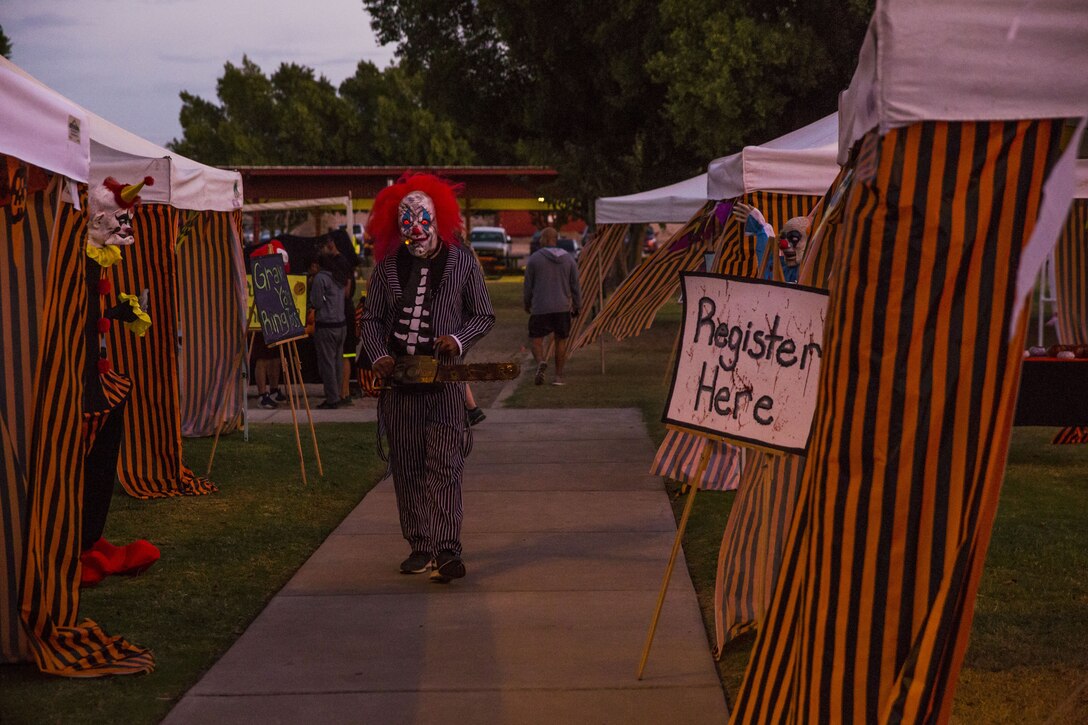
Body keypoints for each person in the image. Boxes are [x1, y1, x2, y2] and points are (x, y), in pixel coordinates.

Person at [358, 172, 495, 583]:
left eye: (422, 221)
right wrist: (380, 355)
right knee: (407, 466)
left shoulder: (462, 262)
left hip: (446, 385)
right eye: (406, 222)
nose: (415, 230)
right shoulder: (387, 268)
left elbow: (483, 314)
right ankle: (420, 543)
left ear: (438, 219)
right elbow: (372, 319)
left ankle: (447, 549)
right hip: (400, 386)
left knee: (446, 464)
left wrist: (458, 339)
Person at [523, 226, 581, 386]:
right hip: (562, 307)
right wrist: (577, 305)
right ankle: (558, 377)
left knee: (536, 340)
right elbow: (575, 285)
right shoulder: (569, 259)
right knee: (560, 341)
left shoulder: (534, 259)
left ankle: (540, 362)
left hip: (541, 307)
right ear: (556, 239)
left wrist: (527, 303)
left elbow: (528, 285)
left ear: (543, 239)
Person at [309, 245, 347, 409]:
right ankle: (337, 394)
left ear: (319, 264)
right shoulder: (338, 277)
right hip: (341, 324)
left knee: (327, 364)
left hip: (326, 325)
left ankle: (332, 398)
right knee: (337, 362)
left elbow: (316, 303)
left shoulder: (320, 279)